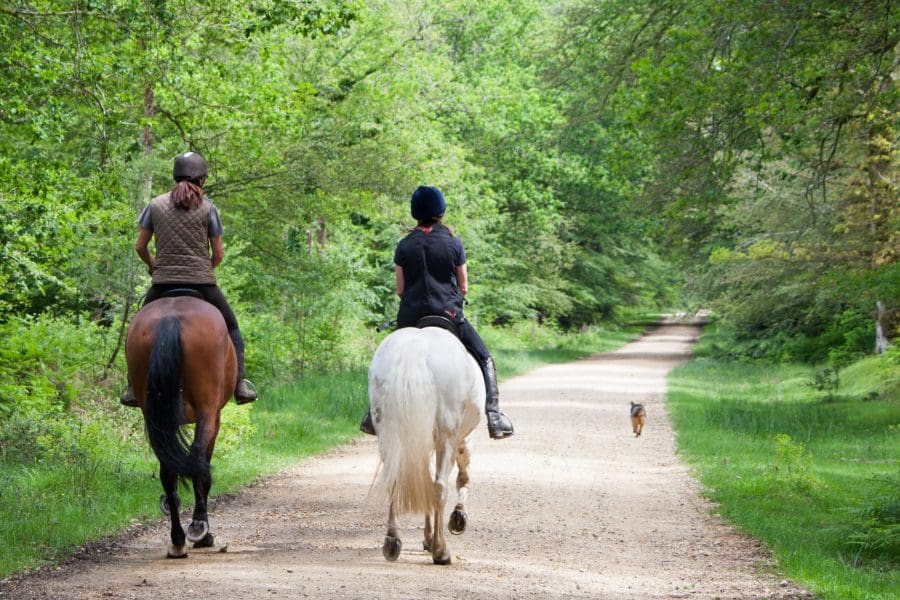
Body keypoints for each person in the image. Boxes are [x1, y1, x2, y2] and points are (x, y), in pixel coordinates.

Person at [360, 186, 514, 439]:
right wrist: (452, 300)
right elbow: (463, 285)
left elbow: (400, 289)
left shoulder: (403, 245)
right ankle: (495, 416)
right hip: (449, 315)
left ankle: (372, 414)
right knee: (485, 357)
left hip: (410, 317)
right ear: (441, 212)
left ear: (415, 214)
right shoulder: (453, 243)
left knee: (388, 358)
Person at [120, 152, 257, 406]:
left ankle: (131, 385)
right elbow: (218, 253)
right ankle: (240, 384)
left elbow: (140, 246)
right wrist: (206, 269)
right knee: (233, 328)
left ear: (175, 176)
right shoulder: (208, 208)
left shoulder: (155, 205)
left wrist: (154, 267)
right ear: (202, 179)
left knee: (136, 329)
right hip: (202, 285)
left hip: (162, 284)